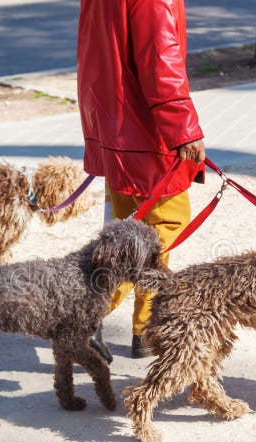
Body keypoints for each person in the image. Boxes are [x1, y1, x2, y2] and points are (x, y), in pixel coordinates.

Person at [78, 0, 205, 359]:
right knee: (161, 228)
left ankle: (144, 329)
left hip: (114, 123)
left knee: (128, 227)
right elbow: (160, 60)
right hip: (145, 132)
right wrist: (183, 127)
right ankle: (85, 318)